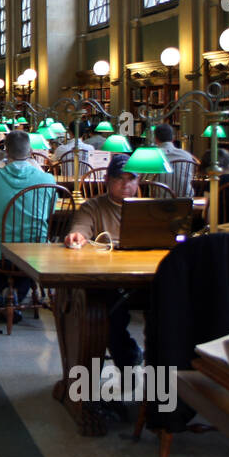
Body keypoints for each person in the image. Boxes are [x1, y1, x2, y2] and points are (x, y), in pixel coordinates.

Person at [63, 153, 144, 368]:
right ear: (107, 180)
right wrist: (78, 236)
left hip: (145, 277)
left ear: (138, 181)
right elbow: (81, 227)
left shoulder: (148, 209)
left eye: (131, 178)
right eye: (119, 178)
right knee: (107, 312)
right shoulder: (93, 207)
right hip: (108, 278)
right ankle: (126, 356)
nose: (126, 184)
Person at [0, 131, 57, 326]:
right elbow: (50, 213)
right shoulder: (48, 180)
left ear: (5, 151)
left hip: (0, 252)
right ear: (31, 151)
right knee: (26, 257)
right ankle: (15, 292)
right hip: (37, 250)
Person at [149, 123, 196, 198]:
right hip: (186, 202)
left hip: (160, 202)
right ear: (173, 138)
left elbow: (142, 179)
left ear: (155, 139)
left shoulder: (152, 156)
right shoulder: (187, 156)